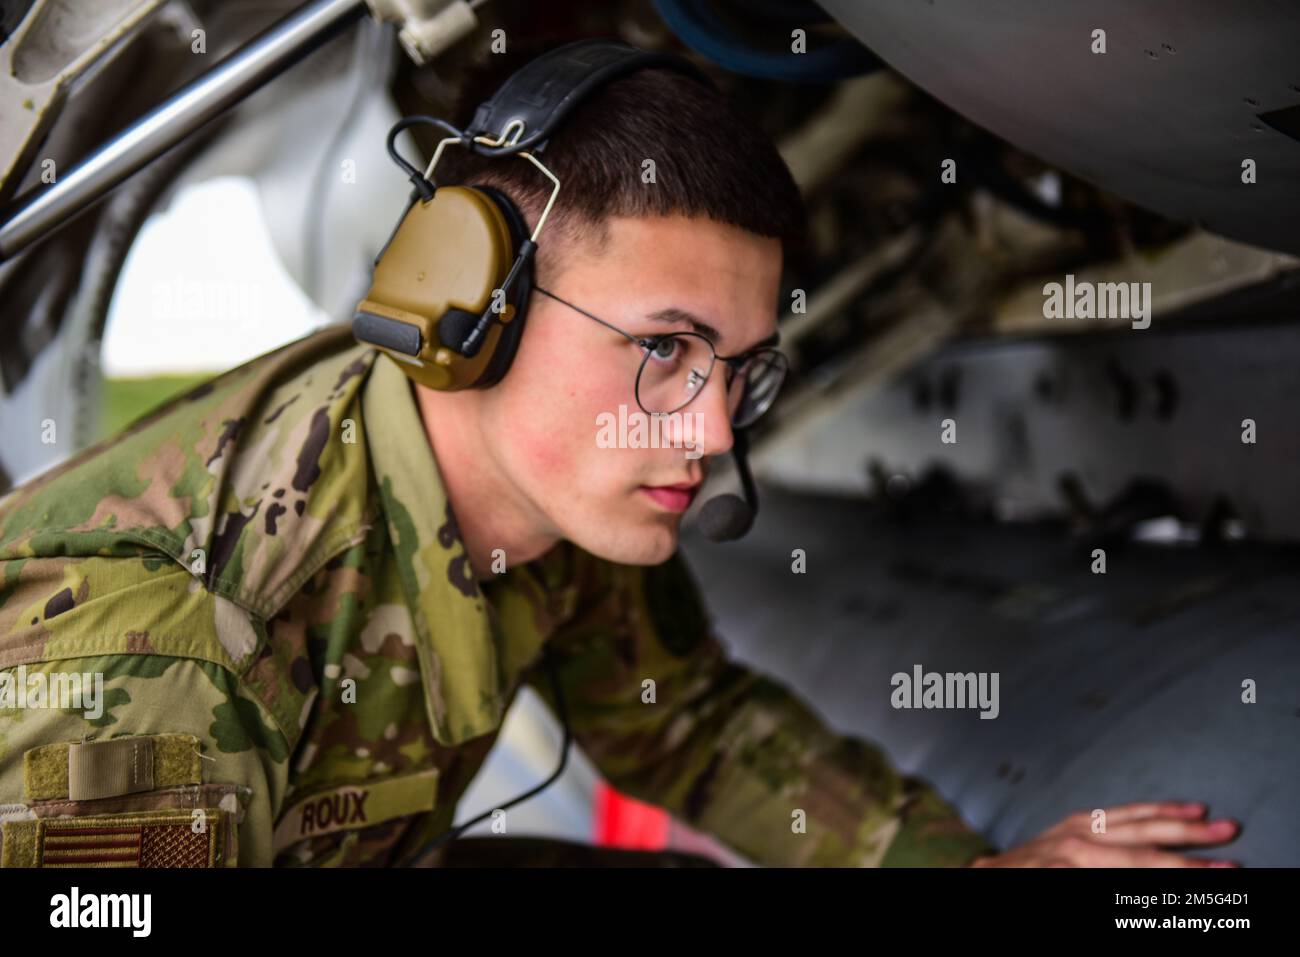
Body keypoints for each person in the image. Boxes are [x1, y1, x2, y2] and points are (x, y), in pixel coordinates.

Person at [0, 43, 1238, 868]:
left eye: (740, 368)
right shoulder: (167, 658)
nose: (706, 434)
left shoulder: (555, 493)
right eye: (663, 347)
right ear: (466, 309)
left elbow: (686, 723)